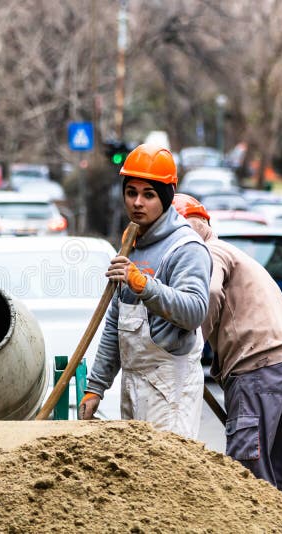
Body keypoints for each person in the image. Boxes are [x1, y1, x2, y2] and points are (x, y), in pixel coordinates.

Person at [172, 193, 282, 493]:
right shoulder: (232, 252)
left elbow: (209, 295)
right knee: (275, 482)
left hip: (259, 371)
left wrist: (192, 343)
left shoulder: (207, 252)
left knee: (245, 483)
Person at [79, 144, 211, 439]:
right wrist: (96, 386)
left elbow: (194, 311)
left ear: (165, 197)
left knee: (168, 476)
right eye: (131, 193)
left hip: (170, 390)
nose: (138, 202)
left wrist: (144, 285)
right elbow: (116, 319)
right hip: (134, 384)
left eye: (148, 195)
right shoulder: (132, 242)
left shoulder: (186, 248)